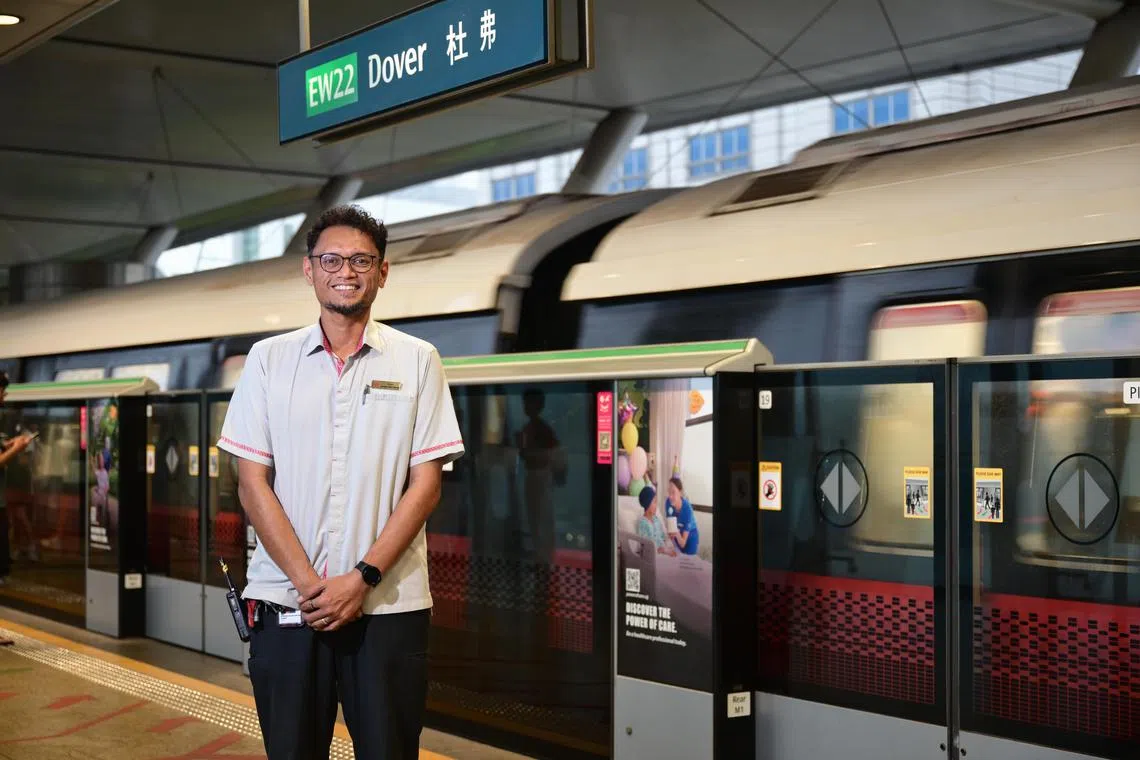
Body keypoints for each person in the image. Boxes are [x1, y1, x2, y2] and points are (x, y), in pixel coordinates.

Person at [217, 205, 464, 760]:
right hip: (286, 605)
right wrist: (311, 585)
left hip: (388, 608)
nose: (345, 271)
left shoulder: (419, 360)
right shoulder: (267, 361)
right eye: (331, 259)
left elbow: (426, 485)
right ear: (310, 270)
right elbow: (252, 482)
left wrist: (361, 578)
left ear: (382, 271)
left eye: (361, 260)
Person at [664, 476, 700, 556]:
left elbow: (683, 543)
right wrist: (670, 534)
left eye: (673, 492)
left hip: (690, 536)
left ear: (680, 492)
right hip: (678, 532)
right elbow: (670, 526)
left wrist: (675, 532)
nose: (670, 496)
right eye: (669, 492)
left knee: (689, 563)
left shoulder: (687, 509)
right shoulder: (668, 503)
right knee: (679, 562)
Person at [635, 485, 674, 555]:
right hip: (654, 555)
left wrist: (669, 538)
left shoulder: (656, 520)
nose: (657, 505)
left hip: (664, 552)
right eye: (654, 502)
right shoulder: (643, 523)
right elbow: (645, 546)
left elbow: (663, 538)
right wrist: (662, 550)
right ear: (648, 503)